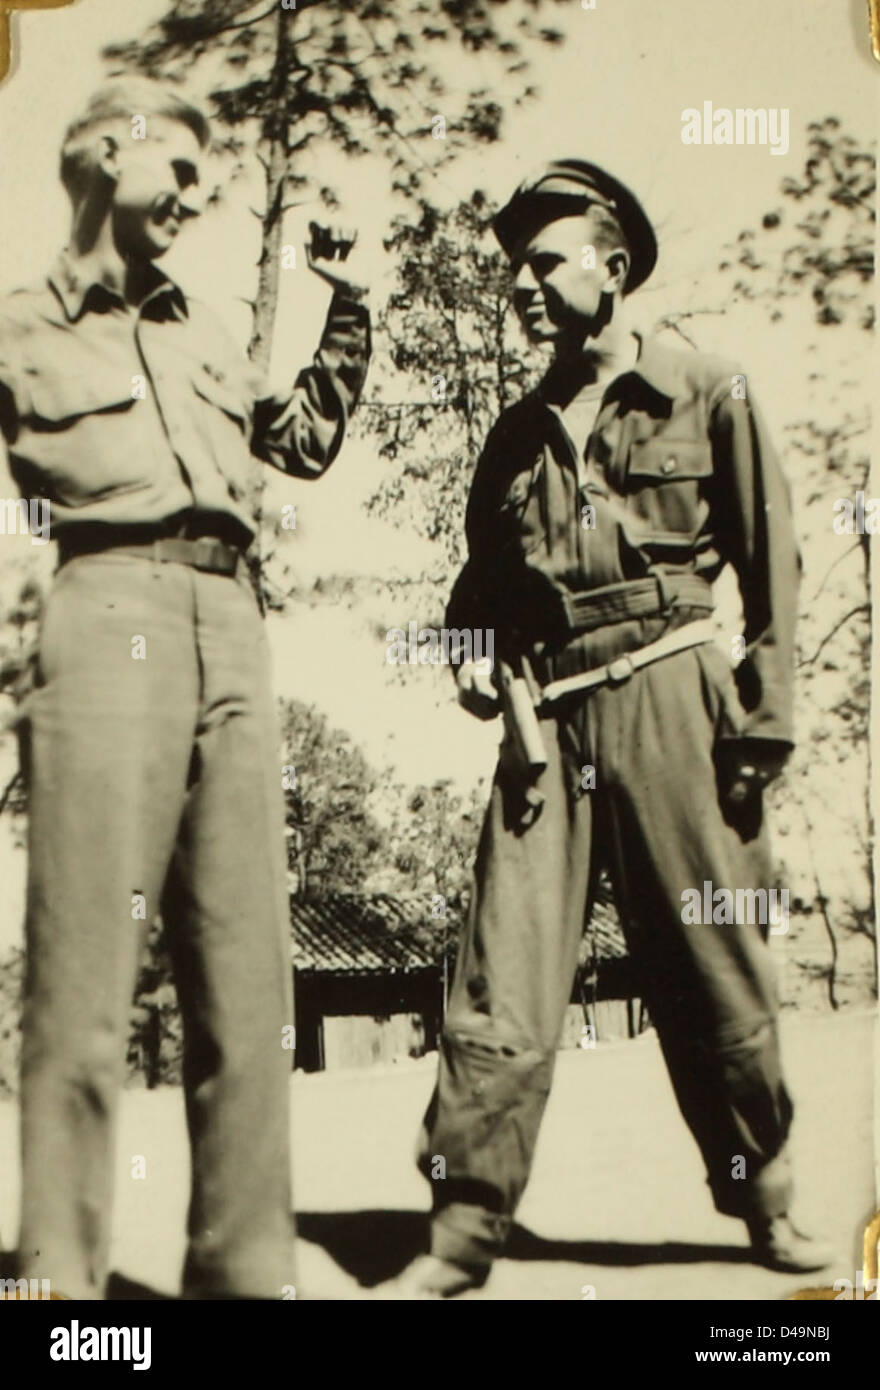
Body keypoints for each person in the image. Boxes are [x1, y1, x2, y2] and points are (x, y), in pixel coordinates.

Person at [398, 159, 831, 1298]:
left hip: (675, 698)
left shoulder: (706, 388)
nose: (525, 285)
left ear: (613, 266)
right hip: (548, 732)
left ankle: (765, 1198)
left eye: (545, 262)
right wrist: (478, 671)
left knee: (710, 966)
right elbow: (469, 603)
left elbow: (771, 560)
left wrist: (762, 722)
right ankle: (460, 1230)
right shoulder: (514, 436)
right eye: (516, 269)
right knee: (500, 974)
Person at [0, 78, 370, 1300]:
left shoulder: (206, 331)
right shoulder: (18, 326)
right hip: (105, 612)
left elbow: (305, 440)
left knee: (249, 982)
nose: (203, 189)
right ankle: (58, 1281)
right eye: (183, 162)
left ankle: (246, 1276)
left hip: (234, 621)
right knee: (85, 981)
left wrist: (347, 302)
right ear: (108, 153)